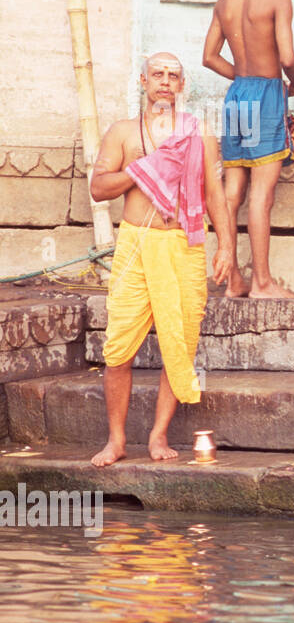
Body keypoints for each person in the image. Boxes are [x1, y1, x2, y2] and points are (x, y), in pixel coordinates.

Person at [89, 52, 236, 467]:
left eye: (174, 76)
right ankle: (116, 440)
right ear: (143, 80)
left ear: (182, 85)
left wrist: (225, 245)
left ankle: (158, 435)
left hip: (183, 247)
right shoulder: (122, 133)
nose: (166, 82)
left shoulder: (199, 132)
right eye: (158, 74)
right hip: (136, 245)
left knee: (179, 343)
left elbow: (214, 192)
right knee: (118, 347)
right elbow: (99, 188)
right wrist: (143, 170)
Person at [202, 0, 294, 299]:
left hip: (237, 95)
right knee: (262, 194)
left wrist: (243, 75)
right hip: (264, 95)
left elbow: (209, 57)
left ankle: (233, 281)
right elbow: (288, 56)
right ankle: (262, 283)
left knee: (233, 191)